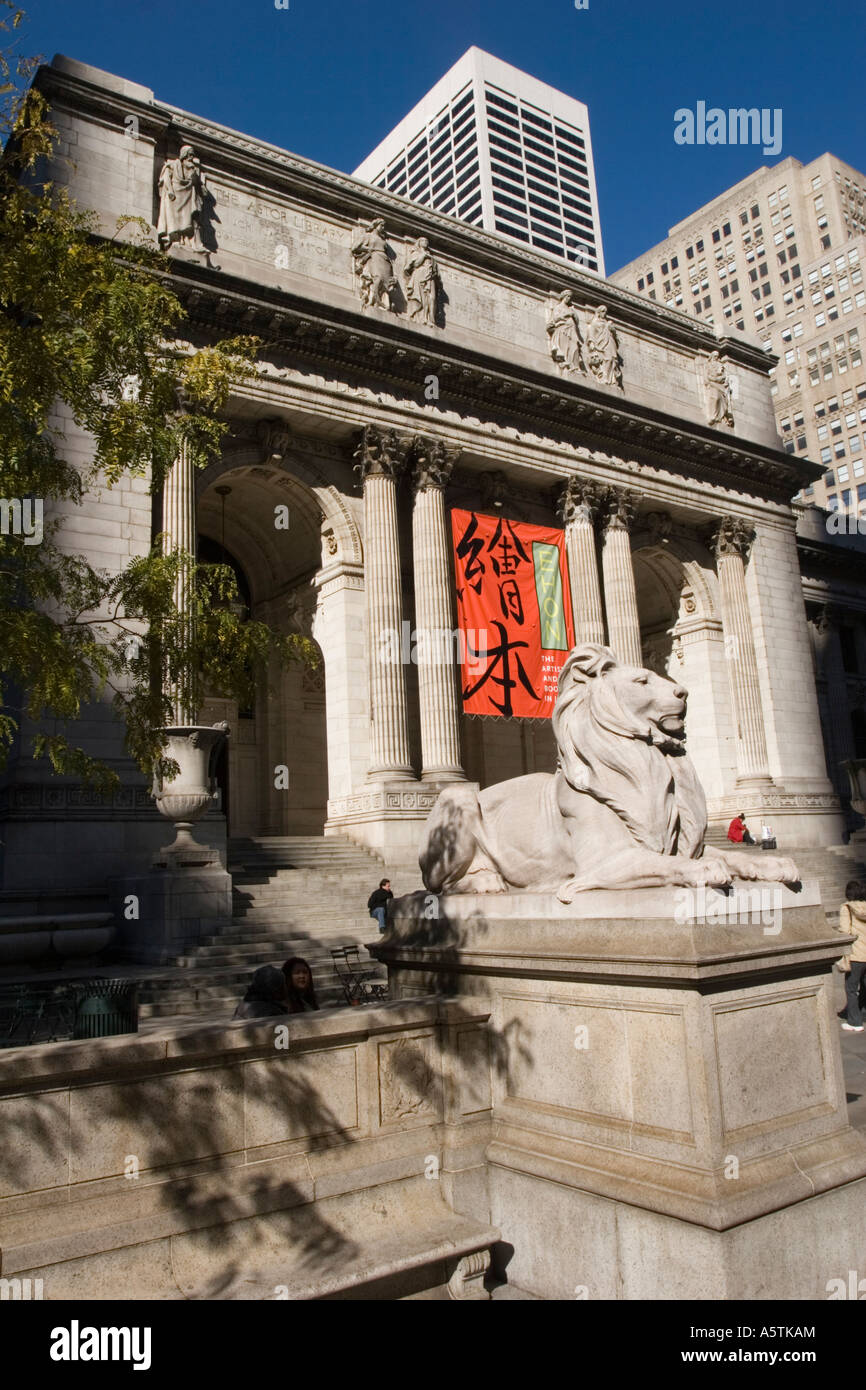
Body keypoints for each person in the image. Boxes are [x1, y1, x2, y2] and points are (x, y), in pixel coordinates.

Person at [837, 880, 866, 1033]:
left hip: (856, 954)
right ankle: (859, 1013)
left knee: (851, 988)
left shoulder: (847, 908)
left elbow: (844, 930)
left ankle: (855, 1022)